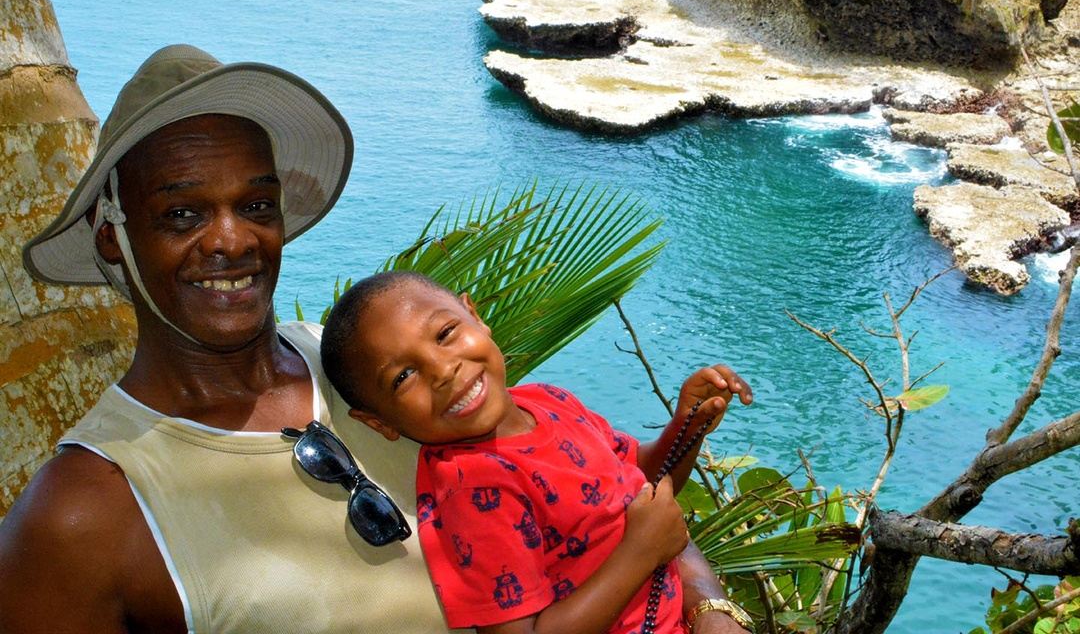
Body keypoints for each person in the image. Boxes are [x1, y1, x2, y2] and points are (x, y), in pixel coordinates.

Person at [0, 45, 751, 634]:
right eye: (182, 215)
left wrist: (714, 607)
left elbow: (607, 500)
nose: (231, 240)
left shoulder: (366, 364)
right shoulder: (82, 518)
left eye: (256, 204)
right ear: (111, 240)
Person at [319, 270, 757, 634]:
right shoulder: (473, 490)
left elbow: (639, 484)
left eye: (446, 333)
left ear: (475, 316)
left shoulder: (548, 401)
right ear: (380, 422)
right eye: (403, 376)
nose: (443, 370)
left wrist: (687, 426)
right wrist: (642, 551)